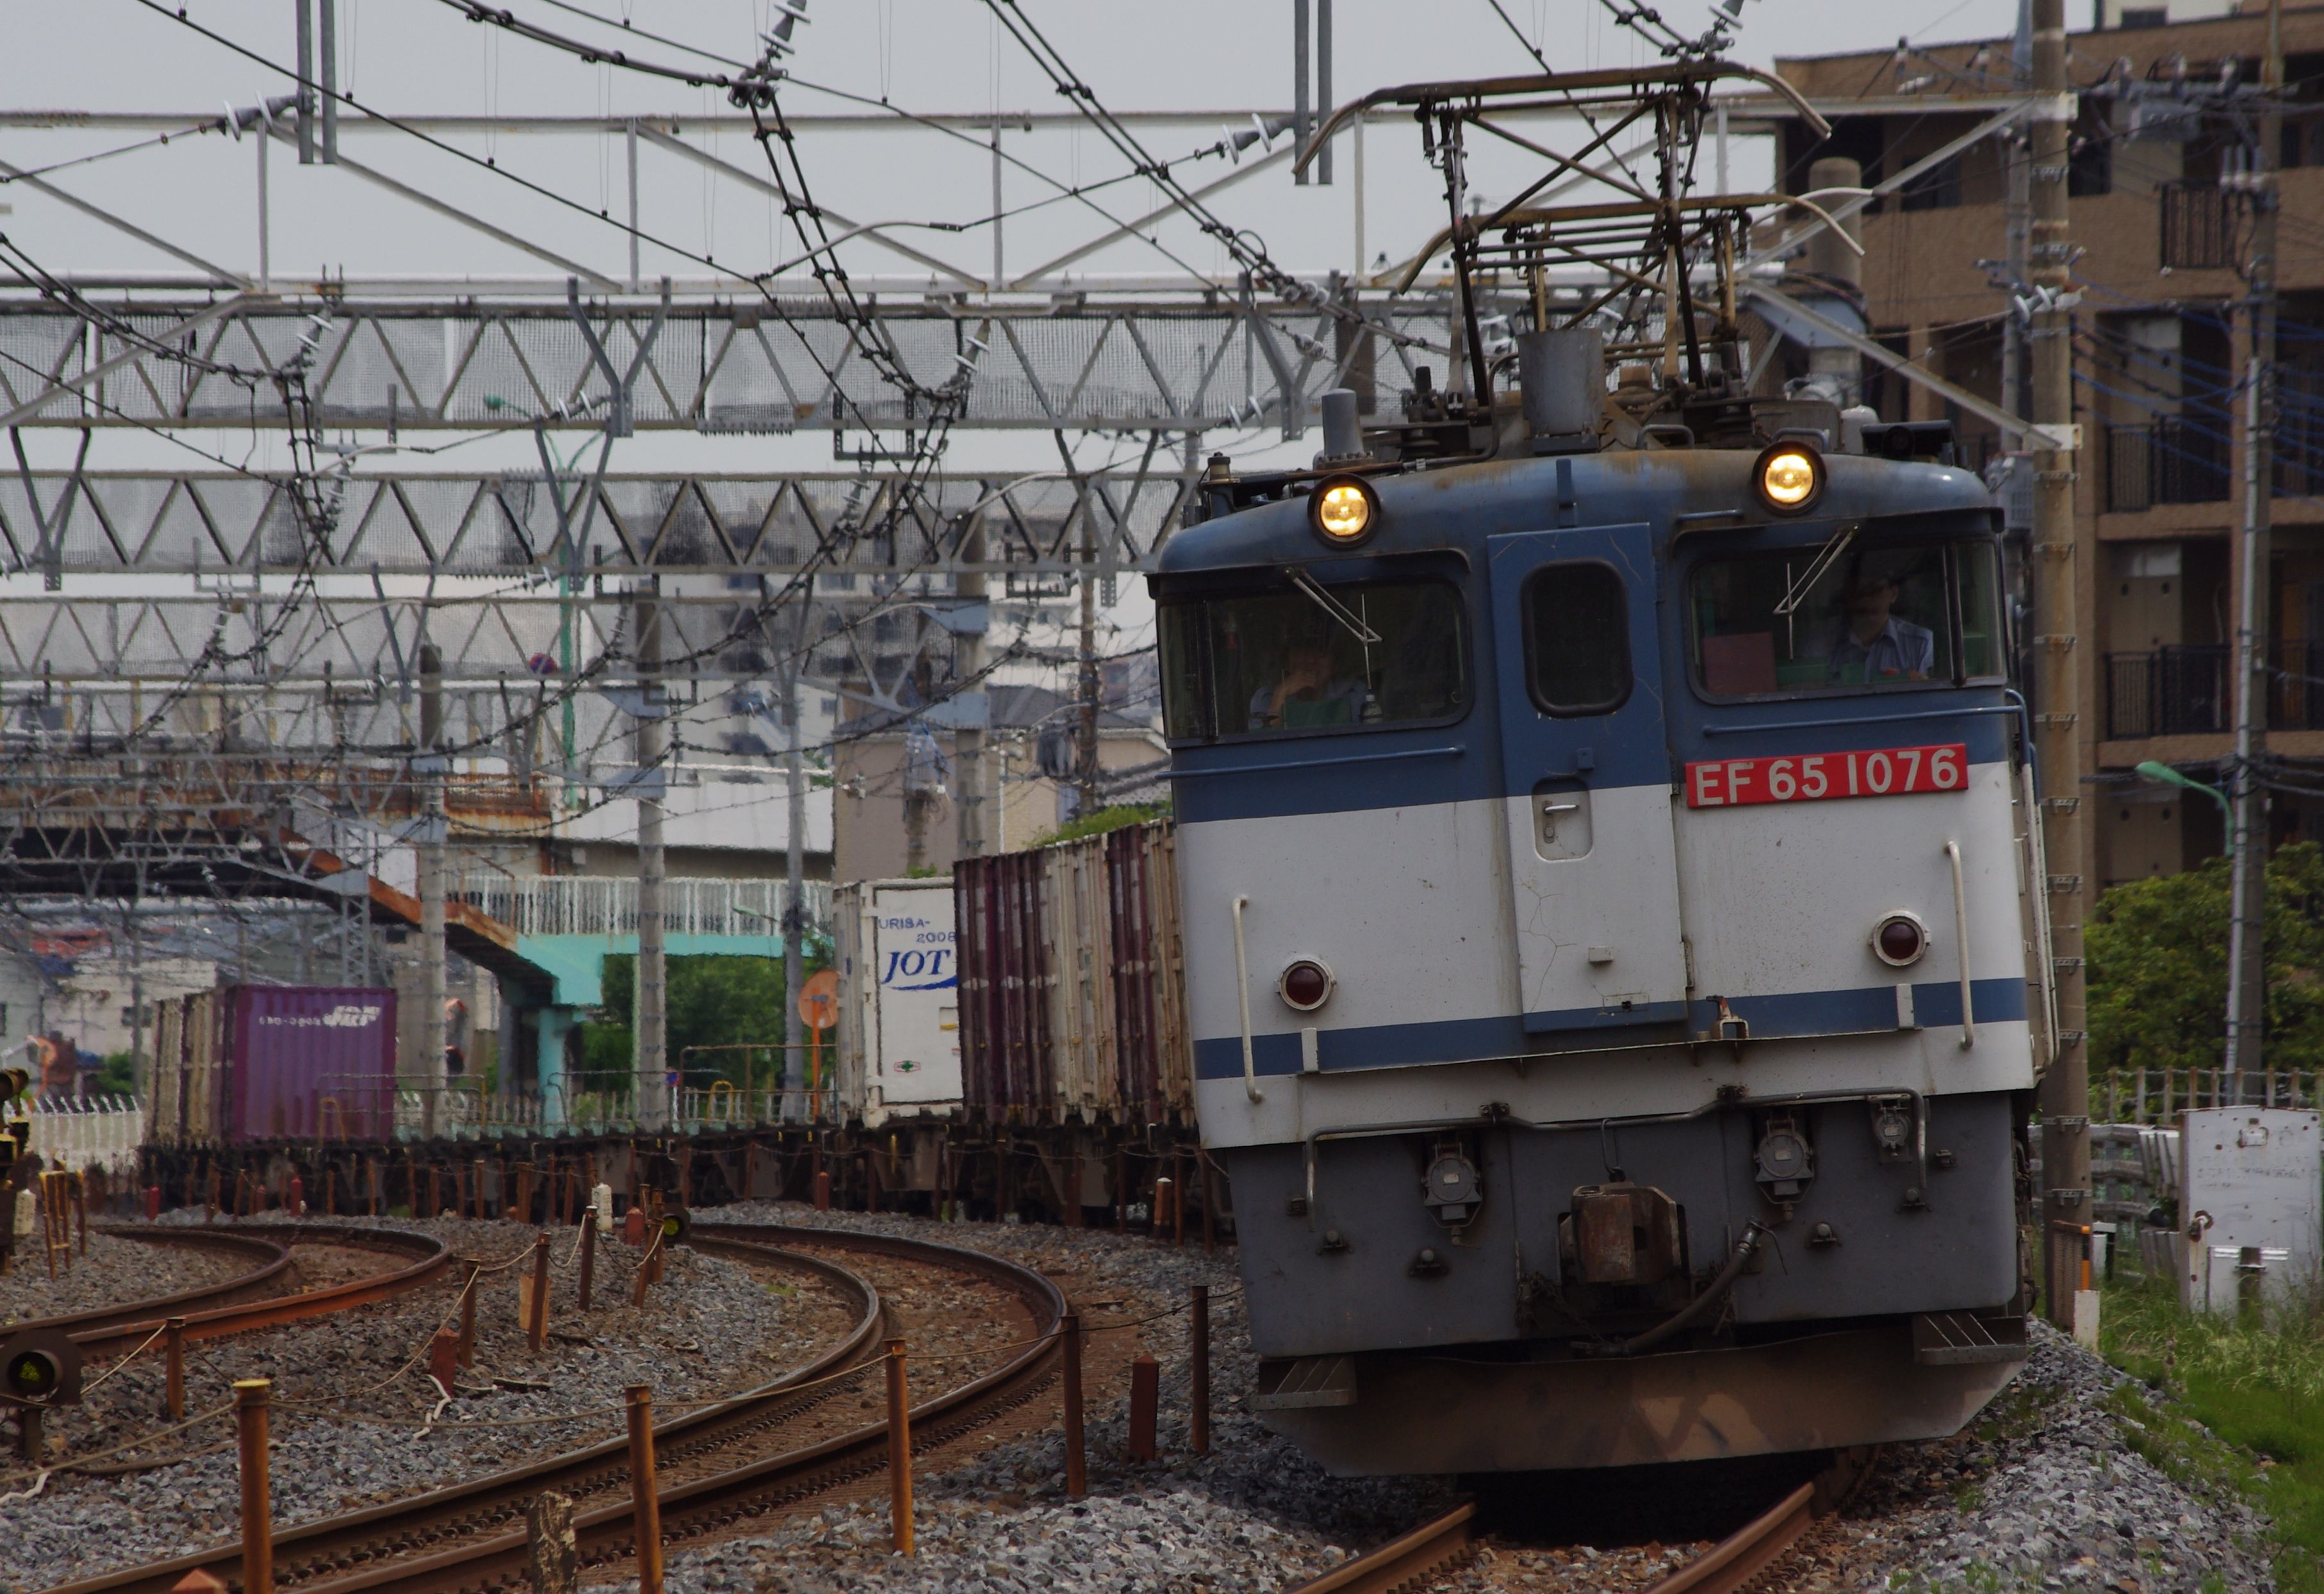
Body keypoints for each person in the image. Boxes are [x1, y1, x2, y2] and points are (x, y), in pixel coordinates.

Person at [1248, 626, 1369, 730]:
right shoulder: (1266, 698)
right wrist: (1280, 696)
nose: (1311, 660)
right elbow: (1265, 749)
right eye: (1302, 650)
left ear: (1335, 664)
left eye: (1321, 651)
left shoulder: (1354, 693)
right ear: (1286, 661)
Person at [1828, 567, 1935, 683]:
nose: (1866, 599)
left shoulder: (1921, 643)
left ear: (1893, 594)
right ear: (1848, 596)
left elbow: (1933, 697)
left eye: (1874, 590)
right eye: (1859, 592)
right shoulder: (1819, 645)